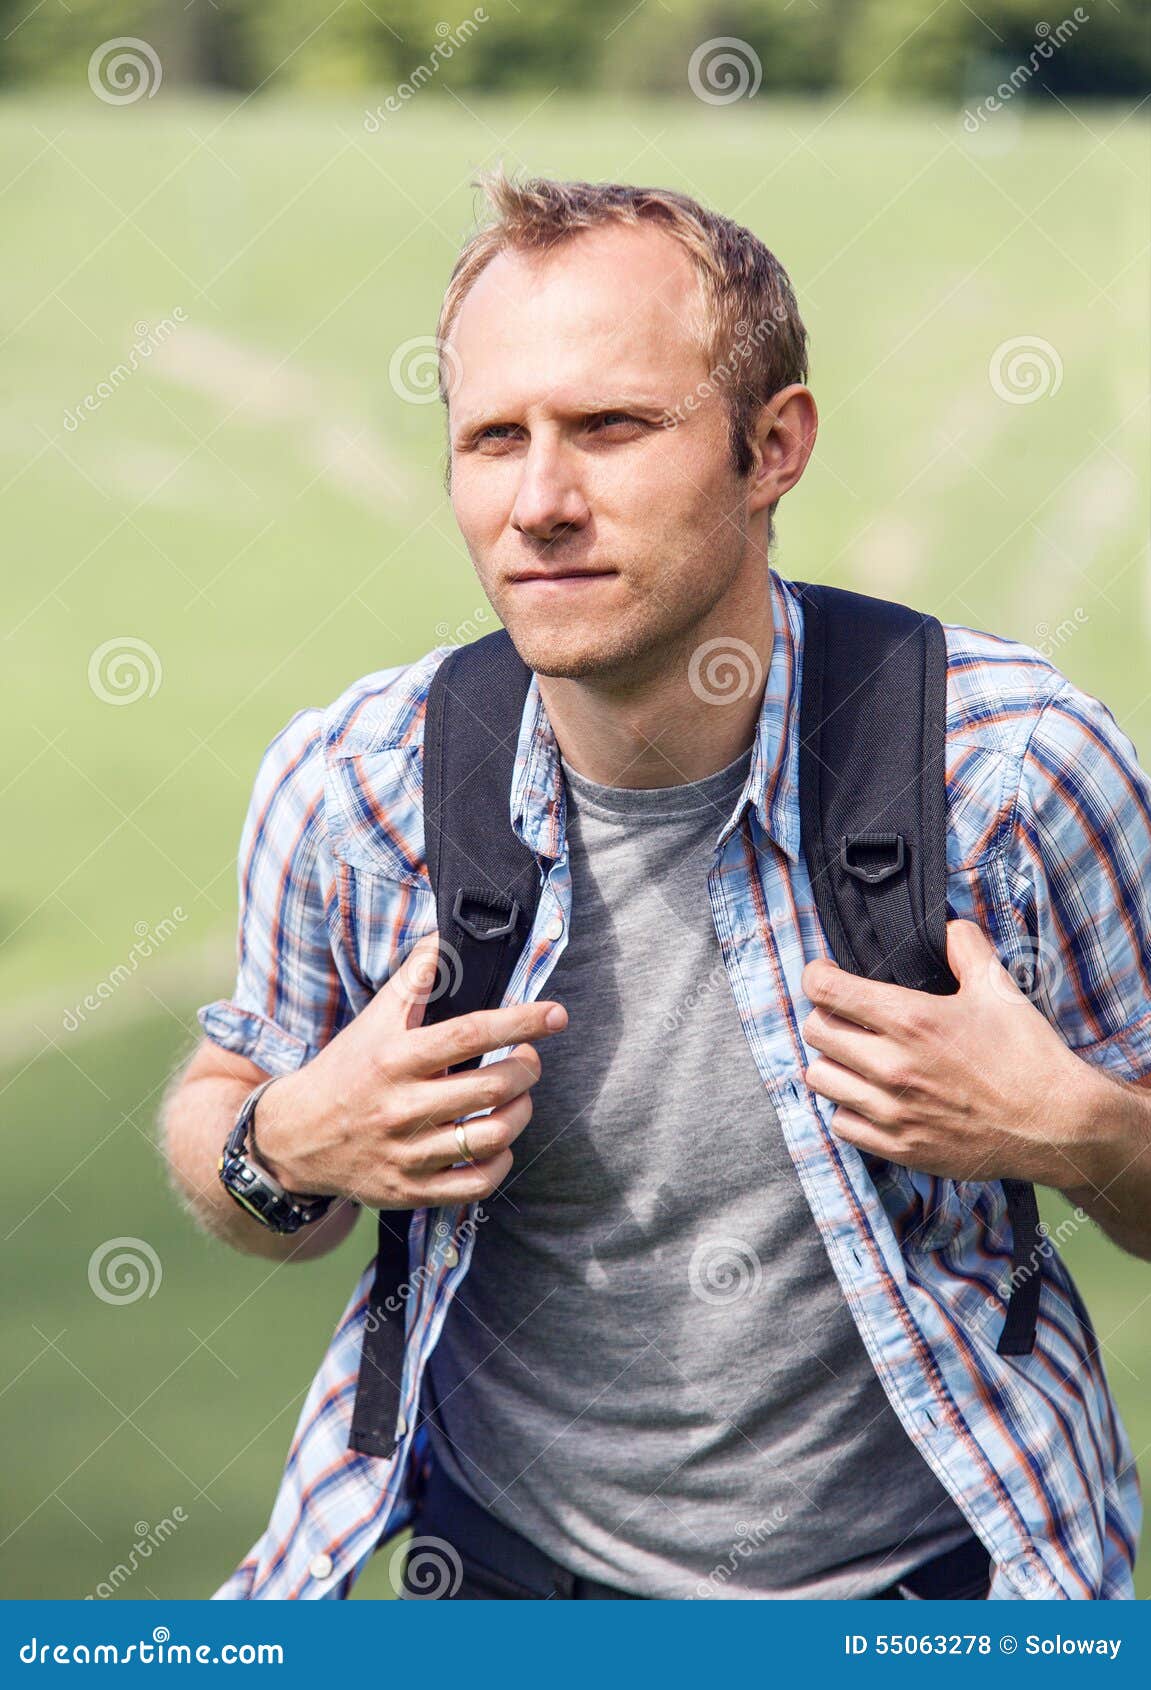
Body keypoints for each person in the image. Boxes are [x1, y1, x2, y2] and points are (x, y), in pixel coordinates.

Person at [161, 173, 1151, 1601]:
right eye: (495, 439)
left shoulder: (1008, 770)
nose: (542, 501)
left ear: (773, 447)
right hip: (507, 1584)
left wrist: (1075, 1130)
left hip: (941, 1593)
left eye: (611, 429)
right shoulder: (358, 789)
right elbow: (232, 1136)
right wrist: (291, 1139)